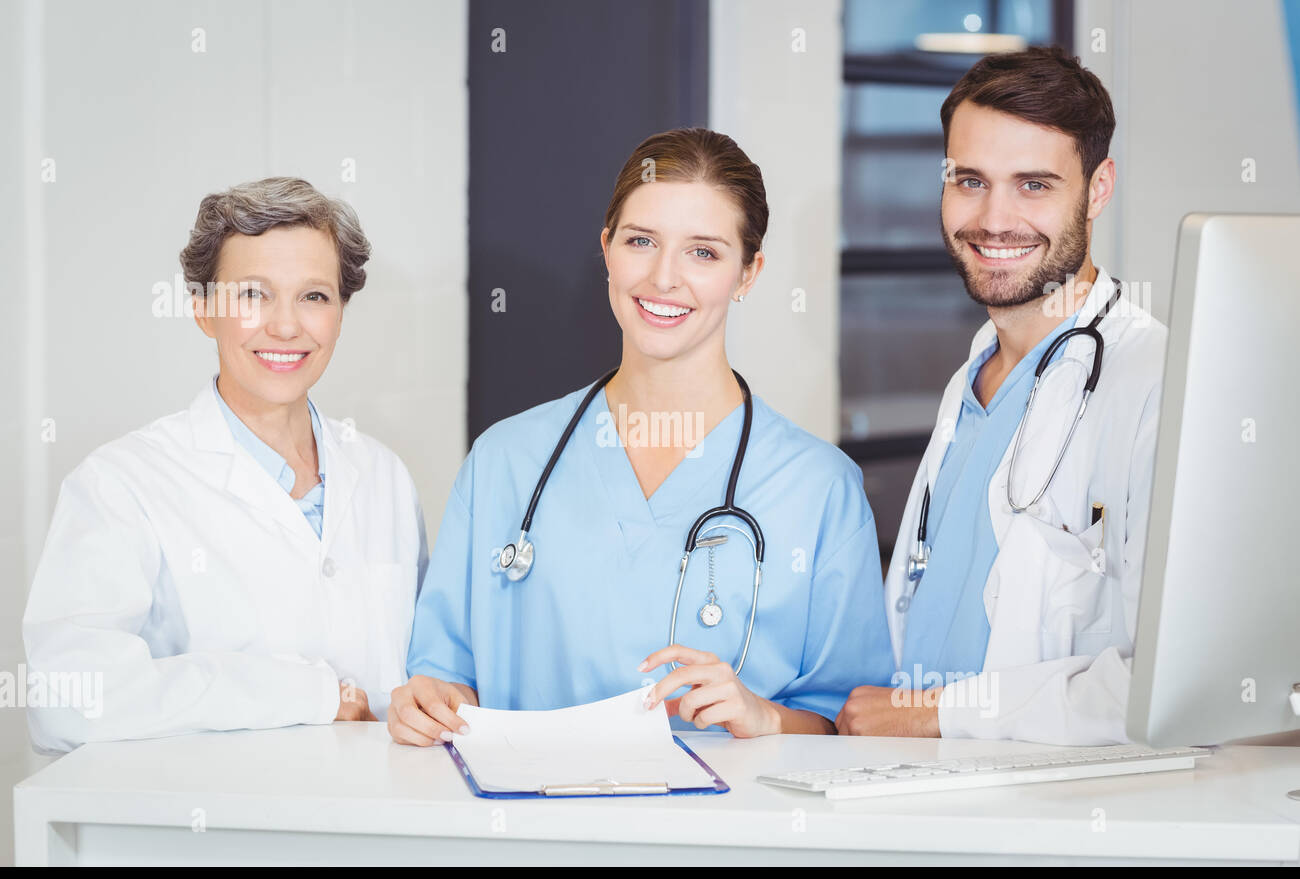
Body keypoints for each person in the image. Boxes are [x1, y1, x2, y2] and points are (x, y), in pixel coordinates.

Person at [390, 128, 889, 745]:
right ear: (606, 249)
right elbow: (443, 673)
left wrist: (766, 718)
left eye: (703, 252)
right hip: (530, 831)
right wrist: (431, 701)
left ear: (749, 272)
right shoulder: (507, 461)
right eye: (641, 241)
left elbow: (854, 720)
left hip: (725, 834)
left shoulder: (817, 488)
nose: (663, 278)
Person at [23, 177, 426, 752]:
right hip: (216, 832)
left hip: (382, 825)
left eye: (314, 296)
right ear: (203, 311)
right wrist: (303, 694)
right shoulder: (120, 484)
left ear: (340, 311)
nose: (286, 326)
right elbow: (64, 697)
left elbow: (425, 673)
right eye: (252, 295)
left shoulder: (383, 474)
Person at [837, 47, 1166, 746]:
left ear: (1098, 188)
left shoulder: (1156, 381)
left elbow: (1165, 682)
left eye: (1035, 185)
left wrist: (939, 715)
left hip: (1057, 824)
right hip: (913, 795)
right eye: (970, 180)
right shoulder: (973, 380)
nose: (994, 219)